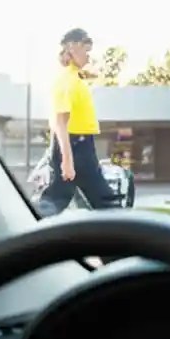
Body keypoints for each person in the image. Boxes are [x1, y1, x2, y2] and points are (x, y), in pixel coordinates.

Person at [37, 28, 120, 215]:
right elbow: (60, 123)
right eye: (87, 51)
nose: (89, 57)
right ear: (72, 47)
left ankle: (121, 231)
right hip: (72, 146)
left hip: (82, 146)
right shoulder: (66, 80)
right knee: (57, 199)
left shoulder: (75, 77)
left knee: (102, 199)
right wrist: (67, 161)